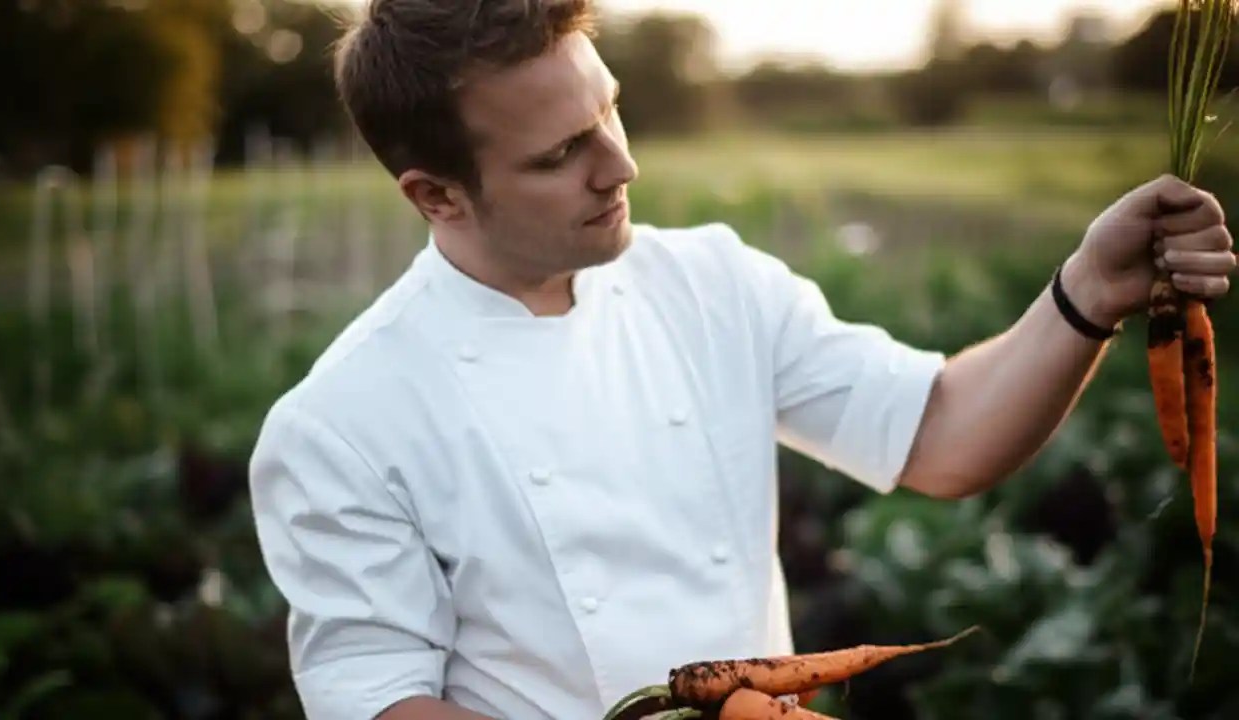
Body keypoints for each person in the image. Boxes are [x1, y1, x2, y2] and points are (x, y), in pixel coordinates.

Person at [246, 1, 1236, 718]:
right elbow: (379, 701)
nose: (619, 165)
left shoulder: (710, 282)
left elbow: (939, 435)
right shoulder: (340, 422)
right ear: (436, 196)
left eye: (610, 112)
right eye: (559, 154)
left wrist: (1085, 293)